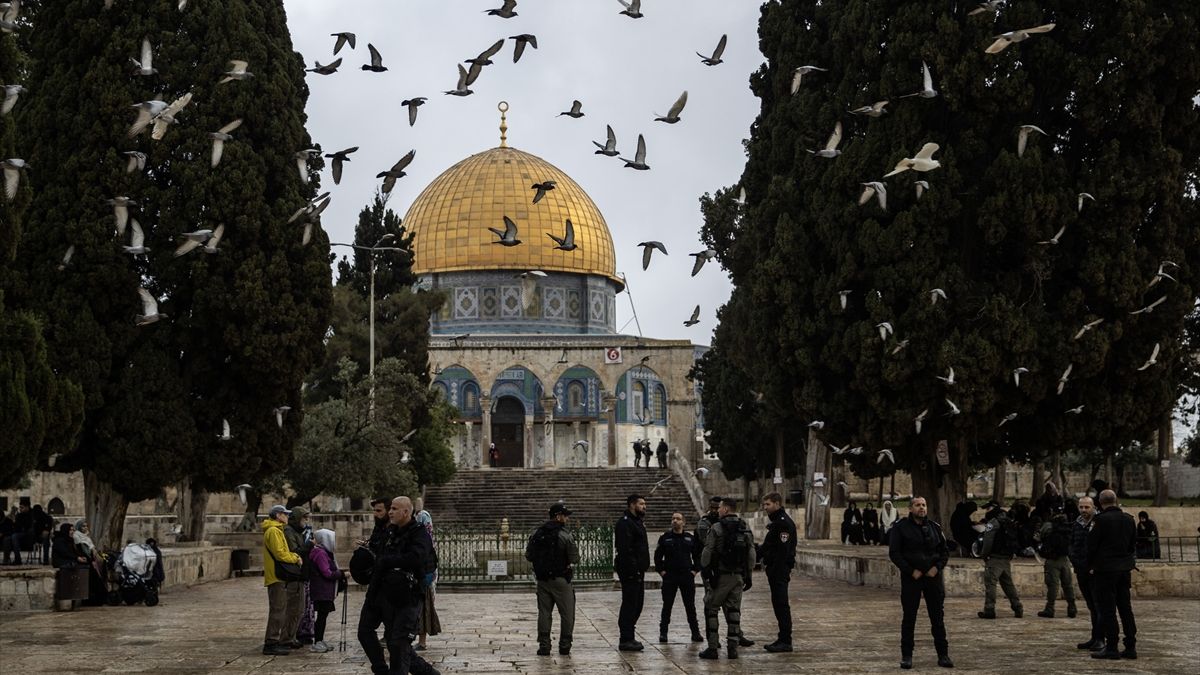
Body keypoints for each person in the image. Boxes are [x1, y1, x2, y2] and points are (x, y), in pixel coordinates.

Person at [358, 496, 439, 675]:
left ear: (406, 512)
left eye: (394, 509)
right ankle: (381, 670)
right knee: (365, 631)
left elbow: (416, 558)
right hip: (382, 592)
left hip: (407, 596)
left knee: (398, 645)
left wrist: (388, 561)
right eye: (390, 508)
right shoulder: (388, 532)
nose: (390, 512)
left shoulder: (419, 533)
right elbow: (377, 559)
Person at [888, 496, 953, 669]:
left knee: (937, 618)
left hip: (933, 579)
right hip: (912, 579)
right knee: (909, 618)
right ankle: (907, 656)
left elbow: (944, 552)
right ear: (910, 508)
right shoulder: (900, 528)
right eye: (917, 505)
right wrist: (911, 571)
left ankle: (943, 654)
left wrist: (937, 568)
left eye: (924, 505)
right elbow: (895, 553)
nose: (921, 508)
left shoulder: (935, 527)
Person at [698, 497, 755, 660]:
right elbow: (751, 553)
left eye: (721, 507)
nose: (719, 510)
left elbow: (707, 551)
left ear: (726, 509)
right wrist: (748, 575)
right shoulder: (744, 526)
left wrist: (706, 571)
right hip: (738, 576)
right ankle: (732, 648)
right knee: (734, 611)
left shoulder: (716, 527)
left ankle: (713, 648)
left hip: (721, 575)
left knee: (711, 609)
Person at [1087, 489, 1137, 660]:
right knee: (1125, 608)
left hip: (1105, 570)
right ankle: (1130, 646)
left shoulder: (1099, 521)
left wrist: (1090, 565)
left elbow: (1091, 546)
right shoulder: (1129, 520)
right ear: (1116, 501)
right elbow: (1132, 545)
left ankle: (1112, 647)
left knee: (1108, 610)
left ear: (1100, 503)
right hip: (1124, 570)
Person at [526, 503, 579, 656]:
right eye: (565, 515)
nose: (567, 518)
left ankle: (544, 646)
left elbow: (529, 556)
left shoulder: (536, 533)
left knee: (544, 612)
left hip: (542, 579)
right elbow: (575, 558)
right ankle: (564, 645)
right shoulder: (565, 535)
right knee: (567, 613)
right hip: (561, 579)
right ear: (558, 516)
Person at [653, 512, 702, 644]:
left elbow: (697, 556)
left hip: (686, 576)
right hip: (670, 576)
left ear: (683, 522)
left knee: (690, 606)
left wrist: (694, 571)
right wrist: (662, 572)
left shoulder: (689, 538)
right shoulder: (665, 538)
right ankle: (663, 633)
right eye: (673, 519)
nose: (675, 521)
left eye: (678, 519)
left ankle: (695, 632)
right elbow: (658, 557)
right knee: (667, 605)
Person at [262, 504, 303, 656]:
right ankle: (271, 642)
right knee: (277, 610)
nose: (287, 517)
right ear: (278, 515)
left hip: (278, 576)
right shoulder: (273, 531)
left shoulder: (277, 530)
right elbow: (280, 553)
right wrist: (296, 558)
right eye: (285, 514)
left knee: (281, 609)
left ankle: (277, 640)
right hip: (276, 576)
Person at [760, 492, 797, 652]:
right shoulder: (777, 522)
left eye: (768, 504)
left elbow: (782, 551)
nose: (765, 508)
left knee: (781, 604)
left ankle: (785, 640)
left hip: (779, 570)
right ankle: (782, 638)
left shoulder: (783, 523)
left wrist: (774, 569)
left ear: (777, 504)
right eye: (764, 504)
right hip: (776, 569)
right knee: (778, 604)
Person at [614, 493, 649, 651]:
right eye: (641, 504)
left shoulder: (637, 522)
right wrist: (633, 569)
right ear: (632, 505)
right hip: (630, 571)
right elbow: (625, 550)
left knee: (637, 604)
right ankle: (626, 638)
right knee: (630, 604)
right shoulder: (625, 523)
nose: (644, 506)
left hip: (638, 570)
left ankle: (630, 635)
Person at [1069, 496, 1104, 651]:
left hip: (1095, 572)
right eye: (1081, 507)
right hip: (1081, 570)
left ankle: (1100, 638)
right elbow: (1072, 545)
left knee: (1099, 606)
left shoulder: (1099, 523)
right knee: (1091, 606)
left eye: (1086, 507)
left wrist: (1094, 565)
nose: (1083, 510)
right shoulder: (1076, 524)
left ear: (1093, 507)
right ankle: (1094, 637)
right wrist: (1076, 561)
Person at [976, 504, 1023, 619]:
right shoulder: (1008, 521)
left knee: (991, 584)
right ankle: (1018, 607)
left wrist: (983, 555)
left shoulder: (992, 523)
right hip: (1006, 558)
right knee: (1008, 585)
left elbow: (987, 541)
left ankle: (989, 609)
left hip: (995, 559)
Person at [308, 528, 348, 653]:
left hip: (324, 590)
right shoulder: (320, 553)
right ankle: (317, 641)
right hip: (322, 590)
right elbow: (327, 573)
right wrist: (341, 574)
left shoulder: (323, 552)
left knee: (323, 616)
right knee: (321, 617)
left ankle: (320, 640)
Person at [282, 506, 314, 647]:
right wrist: (309, 545)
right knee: (293, 609)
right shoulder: (289, 531)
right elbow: (295, 551)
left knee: (299, 609)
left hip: (300, 575)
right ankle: (287, 638)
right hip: (293, 575)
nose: (306, 521)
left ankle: (292, 636)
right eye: (304, 518)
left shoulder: (298, 531)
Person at [412, 498, 440, 652]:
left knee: (424, 607)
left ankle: (422, 641)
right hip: (423, 575)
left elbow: (429, 561)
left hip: (425, 576)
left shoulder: (424, 540)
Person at [1036, 512, 1076, 618]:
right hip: (1065, 560)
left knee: (1052, 586)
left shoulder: (1049, 528)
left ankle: (1050, 608)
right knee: (1068, 585)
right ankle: (1072, 607)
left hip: (1052, 561)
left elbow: (1040, 539)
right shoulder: (1068, 529)